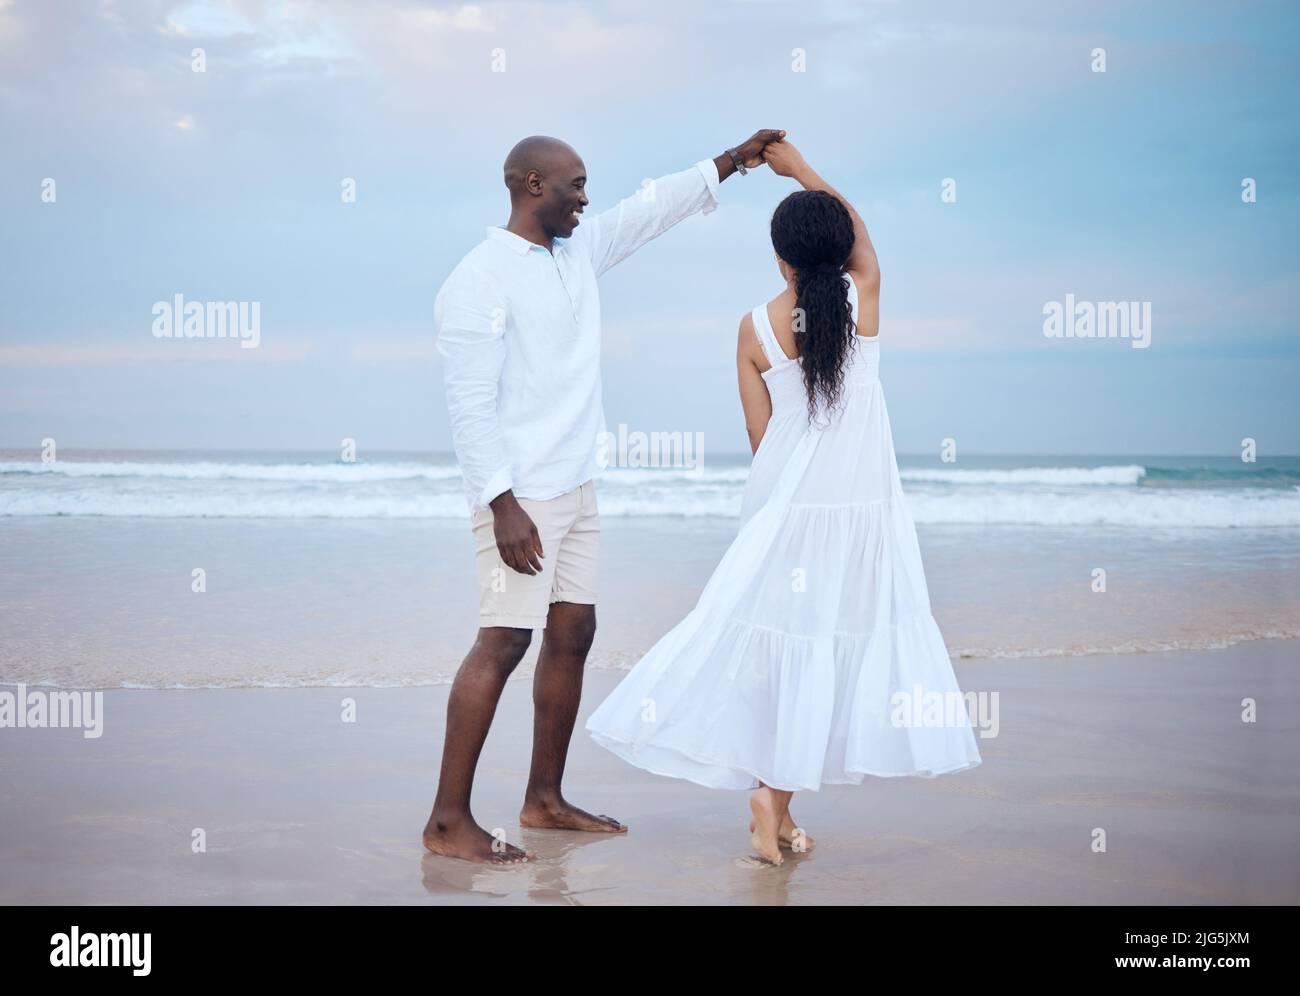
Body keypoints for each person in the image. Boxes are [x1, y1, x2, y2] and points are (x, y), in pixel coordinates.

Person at [585, 139, 983, 865]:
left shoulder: (754, 327)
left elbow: (758, 434)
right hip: (859, 511)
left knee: (786, 649)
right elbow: (856, 232)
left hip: (783, 509)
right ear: (841, 250)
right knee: (824, 650)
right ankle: (773, 801)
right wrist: (800, 170)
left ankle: (776, 805)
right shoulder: (864, 296)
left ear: (780, 257)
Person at [425, 129, 787, 864]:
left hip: (576, 482)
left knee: (574, 633)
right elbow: (467, 404)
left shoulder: (576, 253)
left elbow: (647, 212)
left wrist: (729, 161)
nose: (587, 199)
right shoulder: (478, 278)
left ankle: (544, 799)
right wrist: (501, 504)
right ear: (532, 186)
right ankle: (446, 820)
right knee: (503, 640)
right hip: (520, 494)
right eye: (575, 186)